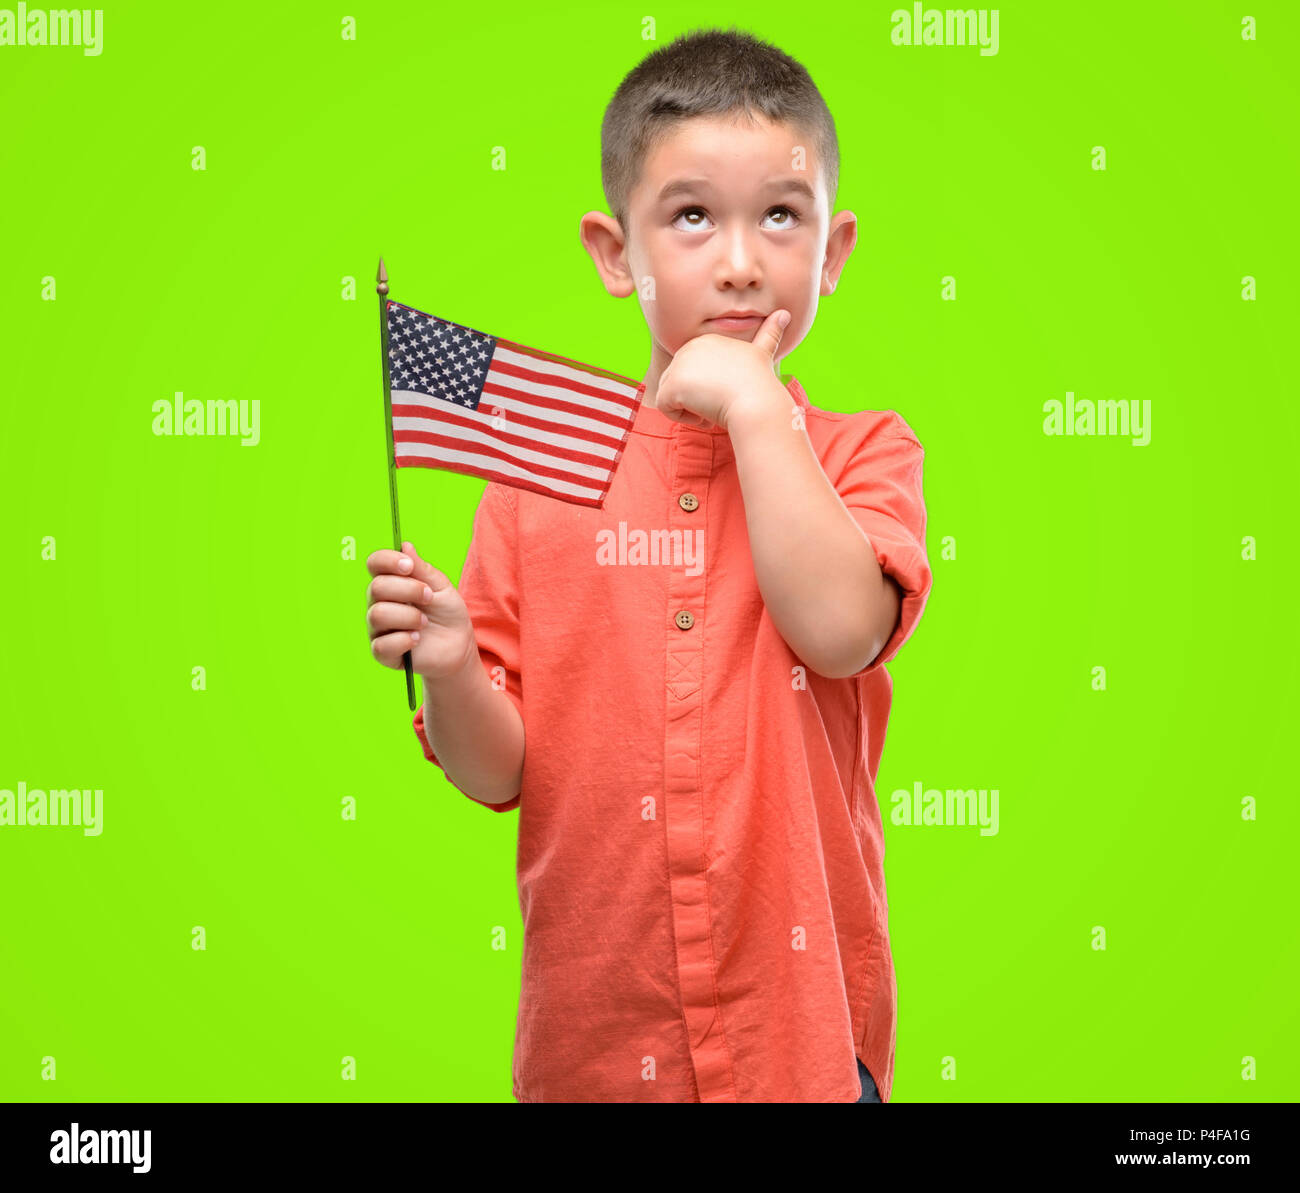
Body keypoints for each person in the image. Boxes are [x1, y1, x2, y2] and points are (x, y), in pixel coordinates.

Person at [365, 27, 933, 1103]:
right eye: (689, 216)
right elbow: (497, 772)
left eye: (780, 214)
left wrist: (758, 405)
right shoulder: (535, 484)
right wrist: (448, 666)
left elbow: (840, 628)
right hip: (597, 1043)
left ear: (834, 249)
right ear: (615, 252)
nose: (738, 259)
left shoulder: (864, 451)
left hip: (798, 1045)